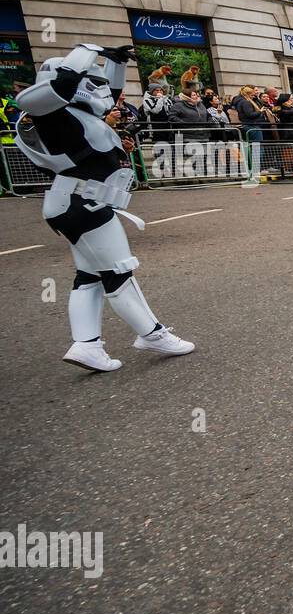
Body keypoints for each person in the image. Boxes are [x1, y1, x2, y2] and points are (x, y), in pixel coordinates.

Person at [11, 44, 194, 371]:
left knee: (90, 275)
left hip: (78, 202)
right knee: (119, 270)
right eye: (88, 79)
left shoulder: (73, 114)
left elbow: (107, 90)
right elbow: (63, 85)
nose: (100, 89)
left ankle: (87, 345)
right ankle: (150, 333)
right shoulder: (52, 116)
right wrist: (86, 50)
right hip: (83, 203)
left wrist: (115, 62)